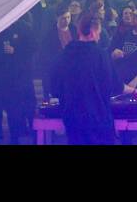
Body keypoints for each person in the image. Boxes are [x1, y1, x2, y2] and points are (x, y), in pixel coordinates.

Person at [49, 11, 129, 145]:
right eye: (98, 33)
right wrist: (133, 90)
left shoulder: (62, 56)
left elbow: (55, 89)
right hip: (98, 121)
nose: (98, 37)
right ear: (93, 32)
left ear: (79, 30)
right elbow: (116, 86)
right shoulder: (101, 56)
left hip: (73, 120)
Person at [37, 6, 75, 98]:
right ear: (57, 18)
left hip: (73, 68)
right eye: (63, 18)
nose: (66, 21)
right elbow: (46, 54)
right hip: (58, 70)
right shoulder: (50, 34)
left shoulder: (74, 29)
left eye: (68, 17)